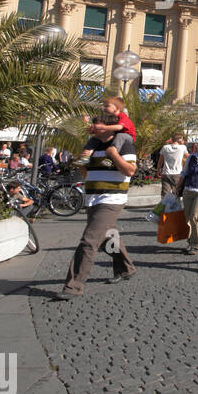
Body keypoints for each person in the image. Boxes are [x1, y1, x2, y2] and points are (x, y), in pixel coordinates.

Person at [61, 112, 137, 296]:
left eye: (97, 124)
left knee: (89, 240)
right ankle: (125, 268)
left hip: (112, 198)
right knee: (107, 237)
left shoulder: (123, 143)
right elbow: (87, 173)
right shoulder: (92, 145)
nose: (93, 127)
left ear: (108, 126)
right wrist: (81, 161)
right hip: (93, 197)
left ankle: (73, 286)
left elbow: (130, 170)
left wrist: (113, 154)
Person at [79, 95, 137, 164]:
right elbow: (107, 131)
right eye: (104, 106)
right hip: (117, 135)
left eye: (107, 106)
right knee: (94, 139)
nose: (104, 108)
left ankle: (110, 158)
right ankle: (86, 155)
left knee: (120, 136)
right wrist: (93, 130)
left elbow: (119, 127)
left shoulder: (122, 116)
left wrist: (102, 127)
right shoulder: (109, 118)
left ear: (117, 108)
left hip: (127, 136)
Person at [158, 133, 187, 198]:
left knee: (165, 194)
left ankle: (165, 207)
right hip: (177, 173)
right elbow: (188, 157)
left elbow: (160, 161)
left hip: (166, 173)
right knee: (176, 193)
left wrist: (158, 170)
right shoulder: (182, 147)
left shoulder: (165, 147)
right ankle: (176, 207)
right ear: (180, 140)